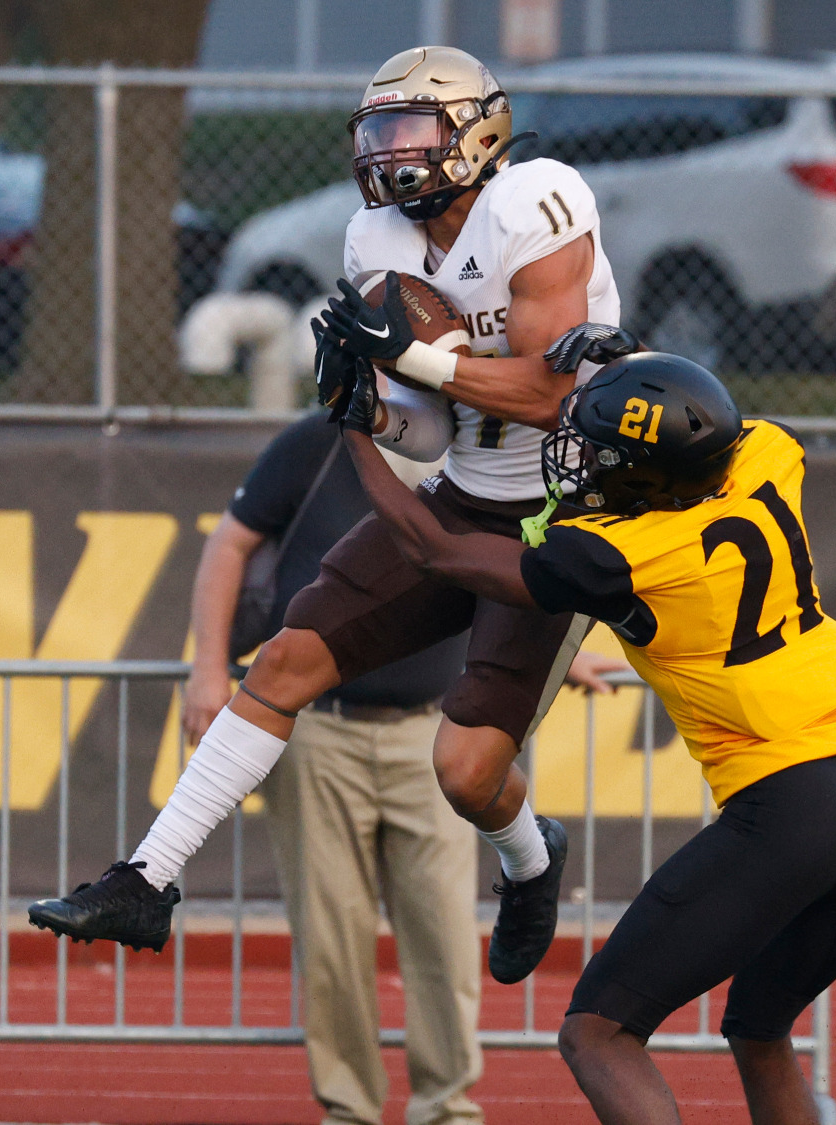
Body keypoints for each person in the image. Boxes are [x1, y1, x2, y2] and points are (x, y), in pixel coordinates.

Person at [31, 43, 623, 987]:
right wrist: (373, 407)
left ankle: (530, 858)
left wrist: (420, 360)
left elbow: (553, 392)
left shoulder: (536, 202)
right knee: (286, 657)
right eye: (378, 133)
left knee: (466, 770)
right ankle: (148, 876)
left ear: (479, 132)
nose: (390, 154)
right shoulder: (377, 238)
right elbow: (427, 434)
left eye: (412, 131)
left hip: (562, 505)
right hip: (464, 489)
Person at [327, 335, 836, 1125]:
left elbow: (433, 551)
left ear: (643, 477)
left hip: (789, 808)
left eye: (600, 454)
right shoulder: (766, 460)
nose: (582, 463)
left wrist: (354, 426)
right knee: (761, 1029)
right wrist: (635, 356)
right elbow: (705, 419)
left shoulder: (620, 553)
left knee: (598, 1032)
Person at [178, 410, 626, 1125]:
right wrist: (206, 668)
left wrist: (560, 650)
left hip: (434, 731)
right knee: (330, 940)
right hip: (321, 729)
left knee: (446, 934)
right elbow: (230, 544)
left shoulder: (490, 449)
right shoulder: (312, 443)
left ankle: (447, 1108)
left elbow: (523, 566)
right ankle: (349, 1109)